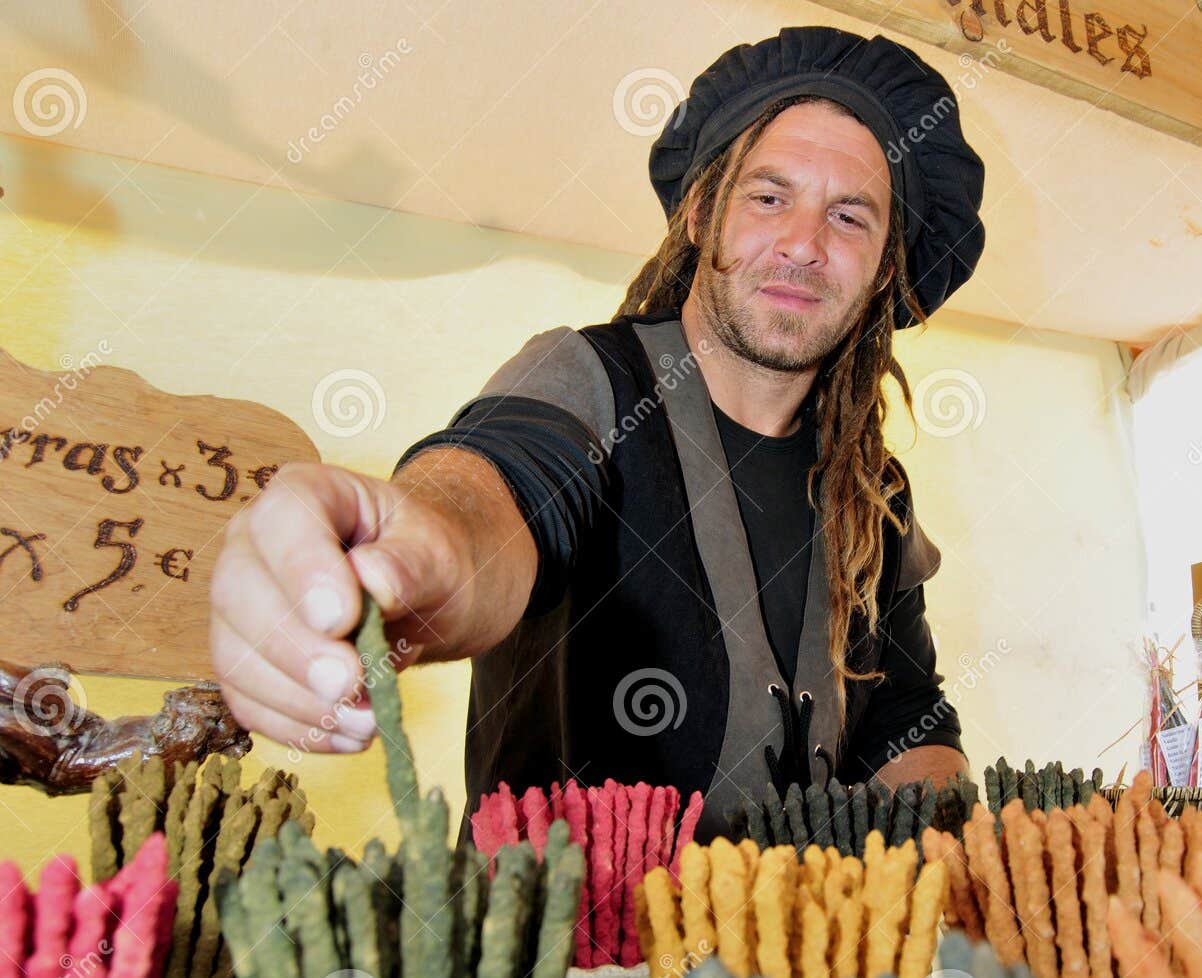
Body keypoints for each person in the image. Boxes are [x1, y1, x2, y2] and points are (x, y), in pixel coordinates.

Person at [208, 26, 987, 839]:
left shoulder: (875, 491)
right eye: (768, 196)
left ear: (886, 270)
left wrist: (956, 847)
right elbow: (495, 494)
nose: (803, 242)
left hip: (794, 953)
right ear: (699, 215)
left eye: (850, 216)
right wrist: (418, 560)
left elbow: (903, 708)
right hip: (564, 958)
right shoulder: (591, 380)